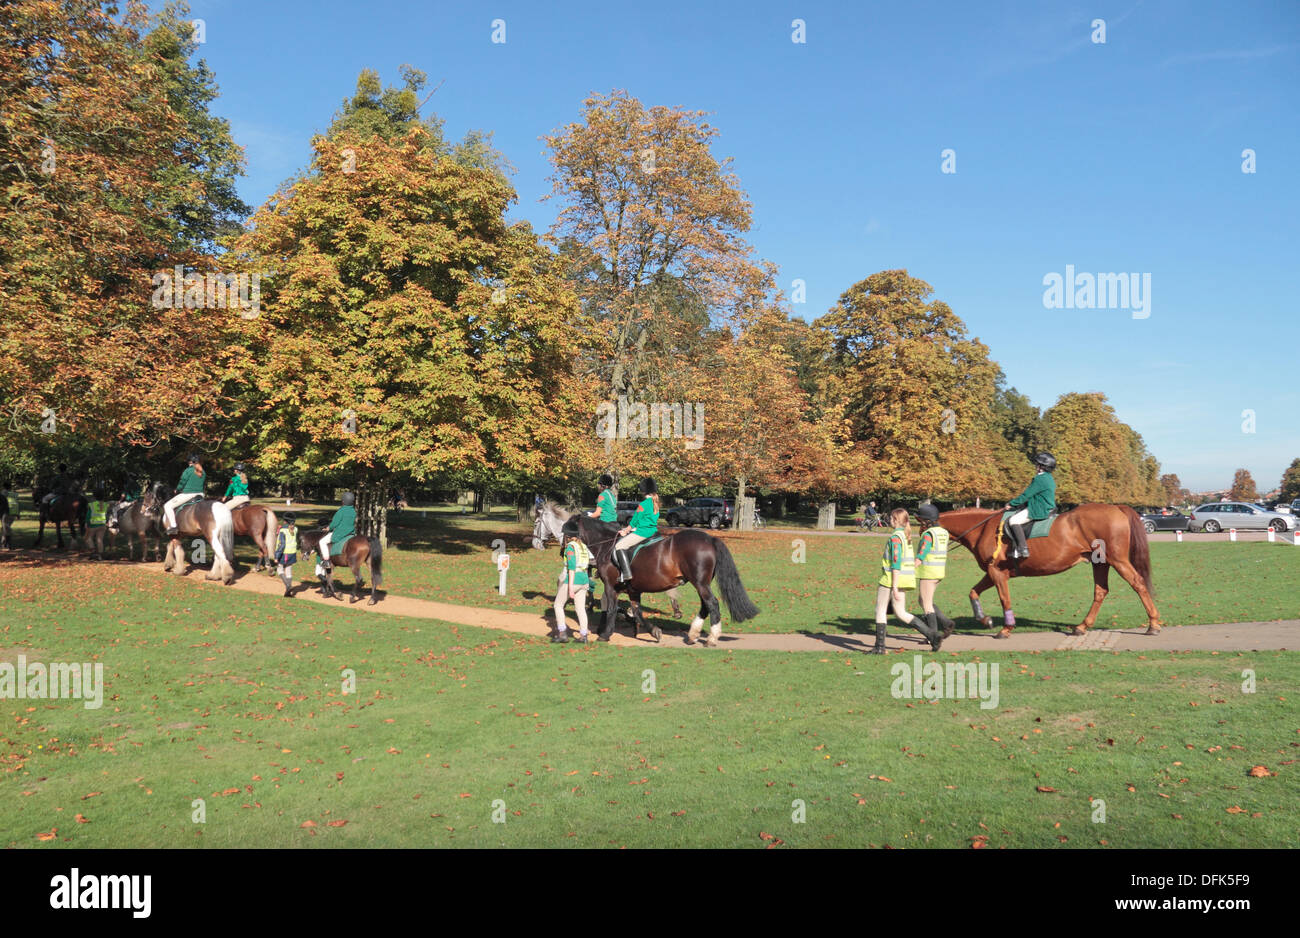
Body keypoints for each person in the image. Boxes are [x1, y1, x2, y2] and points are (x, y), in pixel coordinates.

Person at [870, 508, 939, 654]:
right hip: (903, 579)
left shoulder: (895, 537)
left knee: (880, 610)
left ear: (896, 520)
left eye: (891, 518)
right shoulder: (905, 536)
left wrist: (894, 586)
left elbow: (896, 562)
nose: (889, 520)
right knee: (900, 612)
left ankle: (879, 647)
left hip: (890, 580)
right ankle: (933, 636)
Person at [914, 504, 955, 646]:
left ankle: (932, 636)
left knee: (926, 604)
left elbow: (922, 553)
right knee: (923, 600)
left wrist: (910, 567)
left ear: (927, 521)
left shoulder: (928, 534)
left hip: (928, 572)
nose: (920, 523)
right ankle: (946, 623)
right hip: (939, 571)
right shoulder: (943, 532)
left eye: (921, 520)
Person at [1005, 452, 1057, 559]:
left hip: (1039, 509)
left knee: (1013, 520)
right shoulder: (1049, 478)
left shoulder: (1040, 479)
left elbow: (1026, 495)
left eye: (1037, 464)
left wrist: (1011, 504)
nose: (1036, 466)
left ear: (1042, 466)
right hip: (1049, 507)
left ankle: (1023, 548)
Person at [614, 477, 659, 584]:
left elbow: (634, 521)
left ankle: (626, 573)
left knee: (619, 546)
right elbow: (647, 520)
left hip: (643, 532)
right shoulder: (655, 503)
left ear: (643, 491)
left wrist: (625, 531)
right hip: (653, 530)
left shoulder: (643, 504)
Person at [552, 530, 593, 644]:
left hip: (574, 579)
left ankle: (562, 634)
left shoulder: (571, 547)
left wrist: (570, 587)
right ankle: (583, 636)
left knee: (558, 605)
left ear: (568, 536)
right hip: (584, 579)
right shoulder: (583, 546)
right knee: (580, 608)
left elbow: (572, 567)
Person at [164, 455, 205, 536]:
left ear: (189, 462)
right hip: (200, 494)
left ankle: (173, 527)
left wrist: (177, 489)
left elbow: (182, 482)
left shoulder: (188, 470)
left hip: (188, 494)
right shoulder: (203, 471)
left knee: (167, 506)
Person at [317, 491, 356, 577]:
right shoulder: (353, 511)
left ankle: (326, 561)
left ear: (343, 501)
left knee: (322, 542)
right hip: (350, 533)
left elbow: (335, 523)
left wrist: (328, 528)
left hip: (340, 533)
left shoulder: (341, 511)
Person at [274, 512, 300, 597]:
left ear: (285, 521)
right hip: (293, 553)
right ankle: (288, 592)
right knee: (288, 570)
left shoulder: (283, 530)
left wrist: (277, 556)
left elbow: (282, 544)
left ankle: (288, 586)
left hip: (284, 553)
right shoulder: (295, 529)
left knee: (280, 570)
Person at [84, 485, 111, 560]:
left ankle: (93, 553)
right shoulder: (106, 505)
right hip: (102, 524)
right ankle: (100, 555)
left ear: (94, 496)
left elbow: (88, 515)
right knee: (99, 540)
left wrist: (86, 523)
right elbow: (107, 515)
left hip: (93, 524)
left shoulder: (91, 505)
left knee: (88, 538)